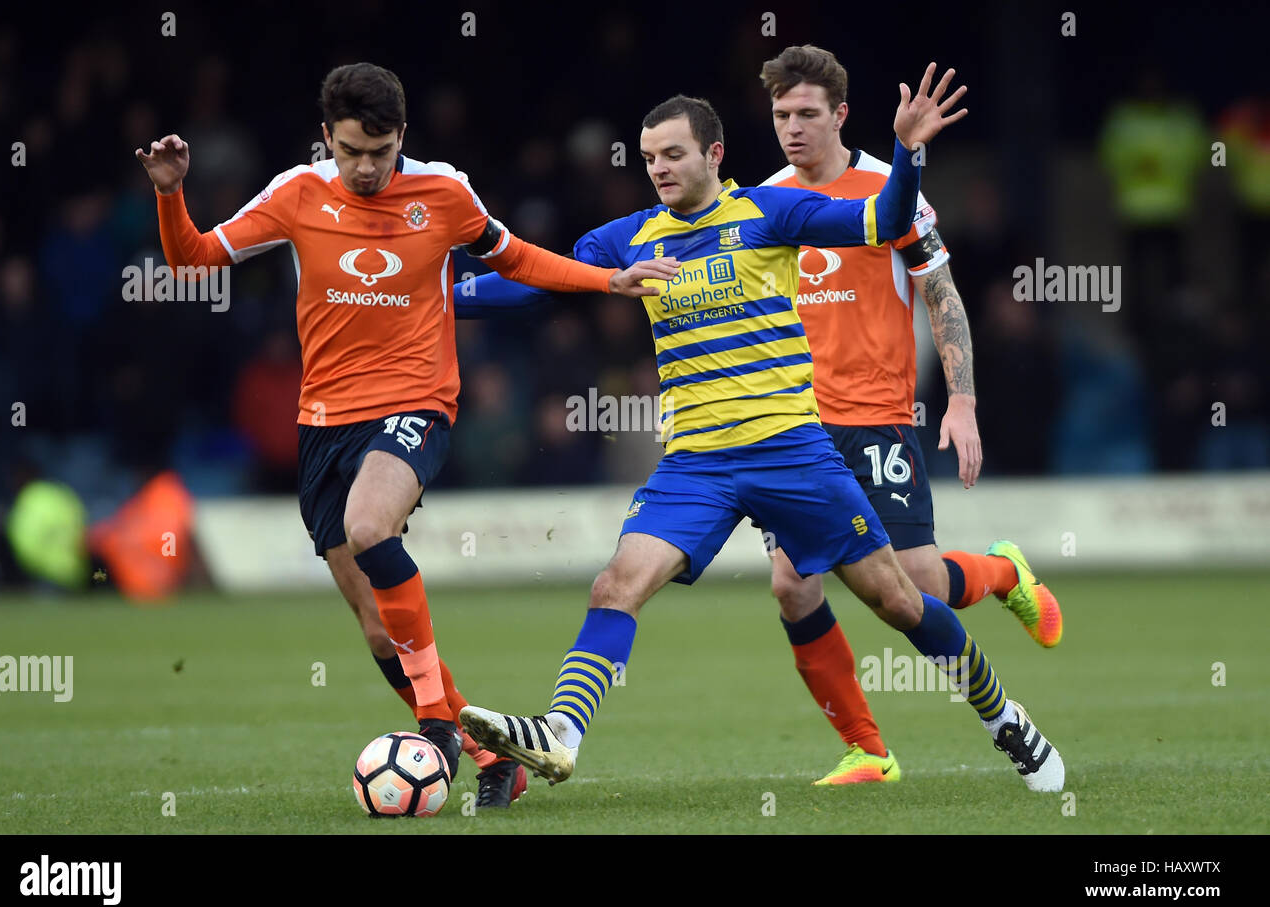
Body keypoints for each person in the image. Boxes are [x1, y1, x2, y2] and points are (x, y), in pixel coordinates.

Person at [455, 65, 1066, 793]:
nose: (658, 170)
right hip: (698, 464)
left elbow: (885, 220)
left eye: (673, 155)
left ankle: (1006, 720)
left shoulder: (772, 213)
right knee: (615, 584)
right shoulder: (629, 238)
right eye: (648, 158)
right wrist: (436, 296)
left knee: (904, 599)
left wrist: (907, 153)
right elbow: (532, 284)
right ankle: (561, 733)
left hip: (793, 454)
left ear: (714, 155)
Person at [134, 62, 677, 807]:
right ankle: (494, 756)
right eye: (352, 150)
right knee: (376, 631)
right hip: (323, 421)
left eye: (380, 152)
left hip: (416, 401)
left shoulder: (444, 193)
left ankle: (433, 720)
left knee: (369, 524)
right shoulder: (296, 193)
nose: (366, 167)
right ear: (326, 138)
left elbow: (513, 255)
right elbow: (190, 259)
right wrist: (171, 195)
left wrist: (604, 281)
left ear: (402, 139)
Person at [756, 45, 1062, 786]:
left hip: (877, 419)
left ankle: (1000, 571)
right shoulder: (763, 200)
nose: (792, 129)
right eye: (780, 114)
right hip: (798, 428)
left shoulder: (890, 192)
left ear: (841, 115)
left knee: (917, 590)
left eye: (806, 114)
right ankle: (868, 748)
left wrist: (962, 401)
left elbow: (942, 294)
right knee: (793, 584)